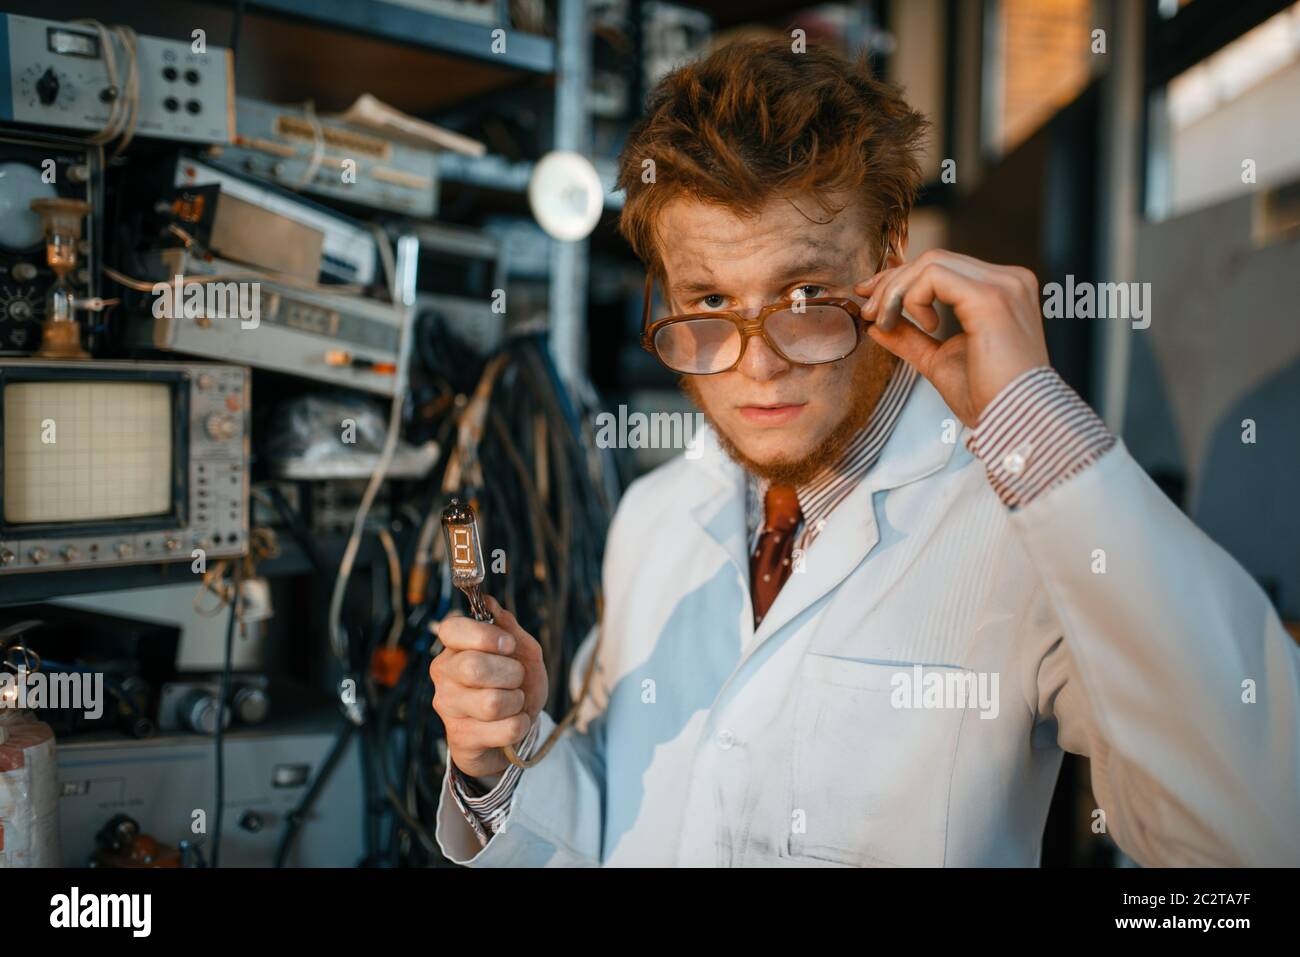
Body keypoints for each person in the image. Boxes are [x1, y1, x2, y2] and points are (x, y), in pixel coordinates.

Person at [429, 38, 1300, 866]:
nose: (757, 364)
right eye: (709, 301)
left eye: (805, 293)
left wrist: (1038, 428)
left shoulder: (1023, 527)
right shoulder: (651, 518)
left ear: (890, 256)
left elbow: (1257, 825)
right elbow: (630, 820)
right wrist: (503, 760)